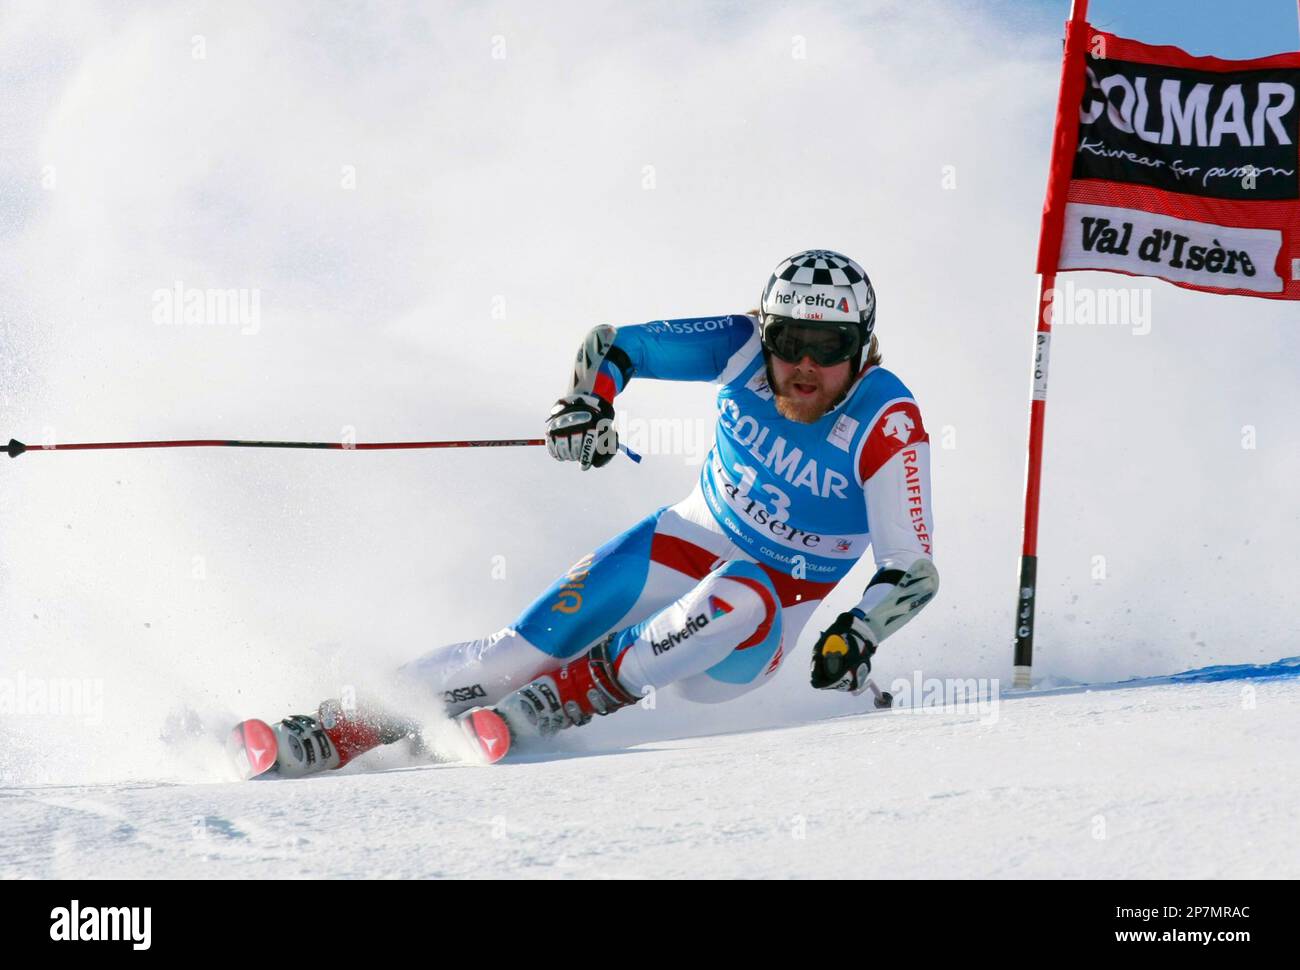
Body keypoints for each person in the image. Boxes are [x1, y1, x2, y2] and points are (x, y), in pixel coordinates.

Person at [250, 249, 939, 776]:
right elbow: (617, 343)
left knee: (745, 592)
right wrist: (589, 404)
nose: (805, 366)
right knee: (509, 657)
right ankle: (336, 729)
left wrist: (859, 630)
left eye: (831, 349)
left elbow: (911, 567)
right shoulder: (737, 349)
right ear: (767, 333)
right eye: (790, 341)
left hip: (757, 626)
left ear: (863, 346)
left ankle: (577, 694)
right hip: (683, 542)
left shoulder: (887, 422)